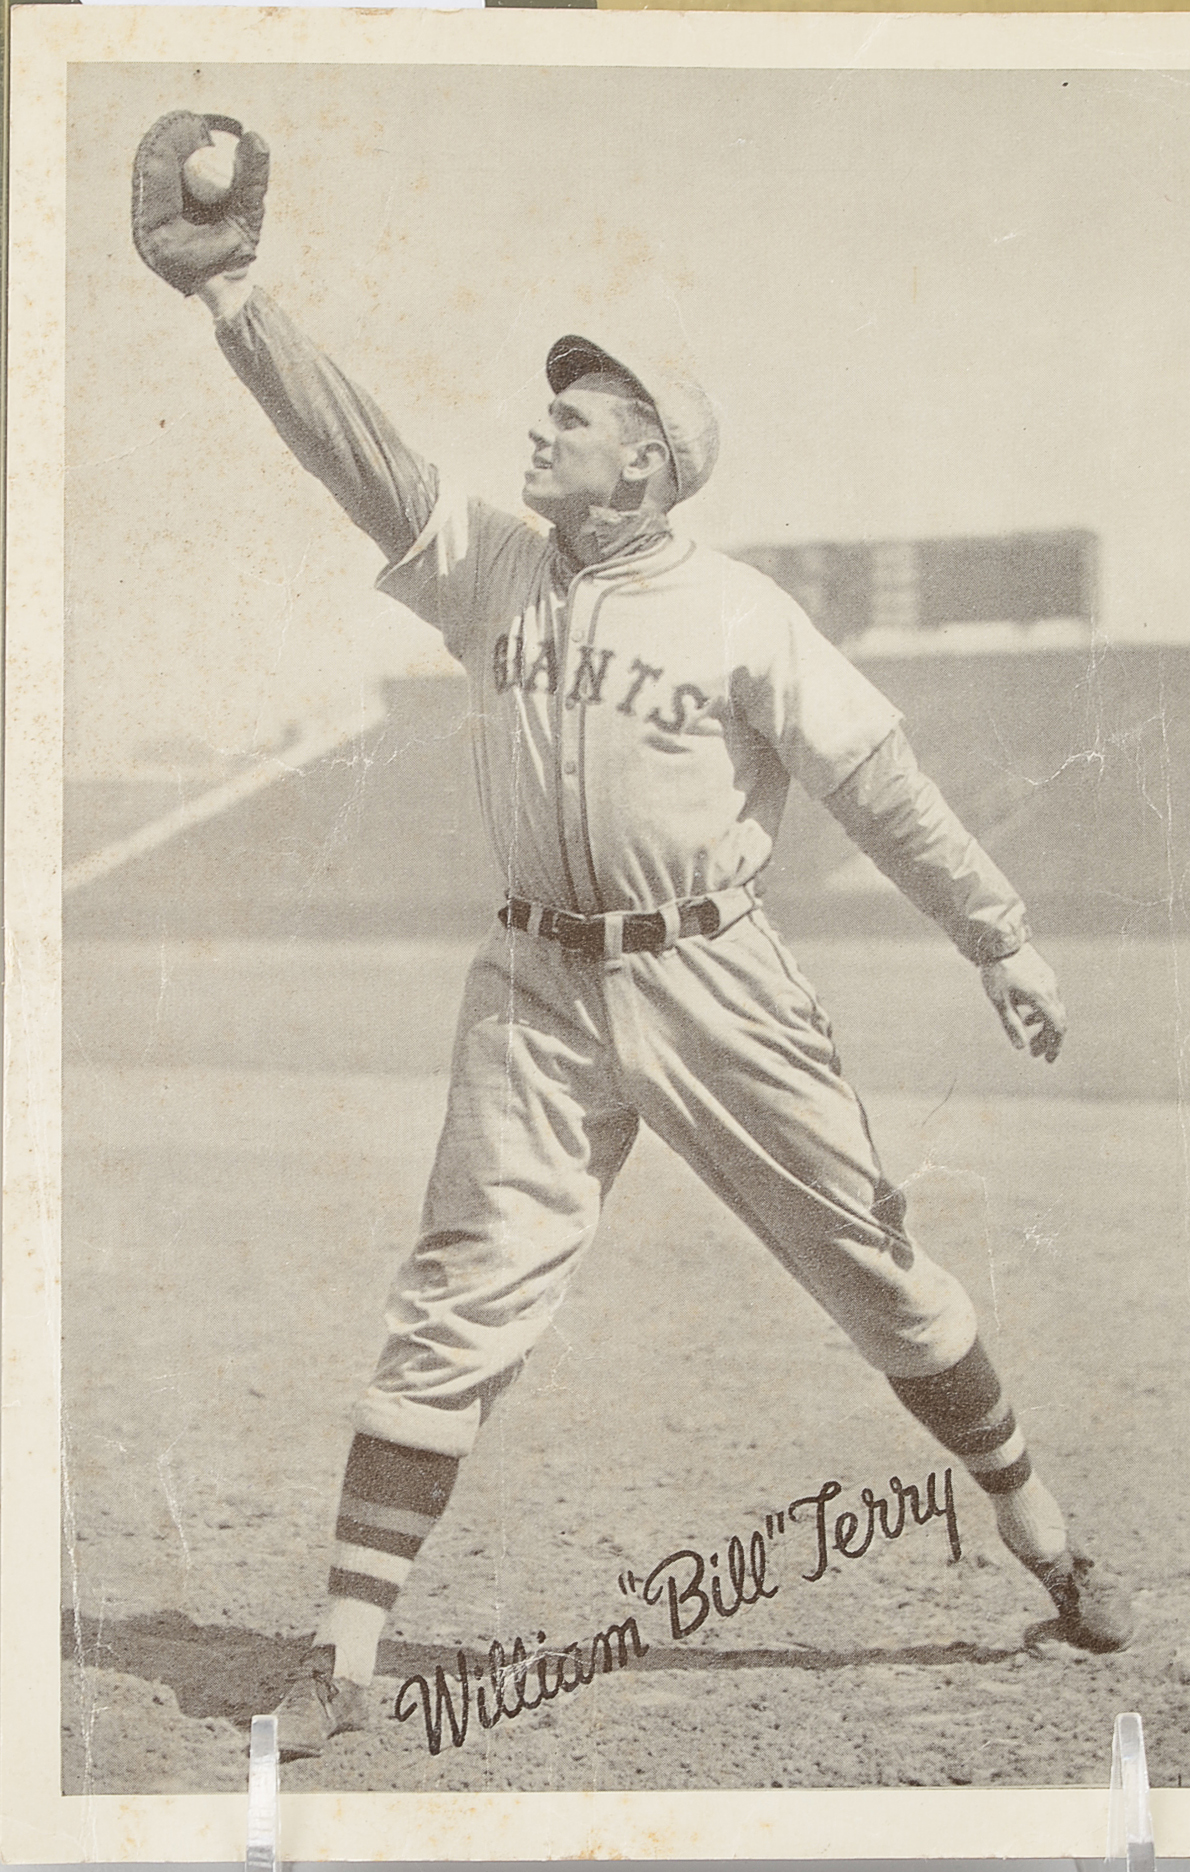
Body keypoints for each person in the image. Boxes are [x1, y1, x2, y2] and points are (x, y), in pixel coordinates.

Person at [132, 112, 1132, 1762]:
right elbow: (357, 451)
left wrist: (998, 938)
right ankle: (347, 1651)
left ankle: (1051, 1543)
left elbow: (884, 790)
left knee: (880, 1276)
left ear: (648, 457)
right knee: (458, 1292)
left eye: (577, 414)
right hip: (534, 984)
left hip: (716, 979)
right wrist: (235, 302)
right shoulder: (493, 572)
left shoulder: (744, 613)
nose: (543, 426)